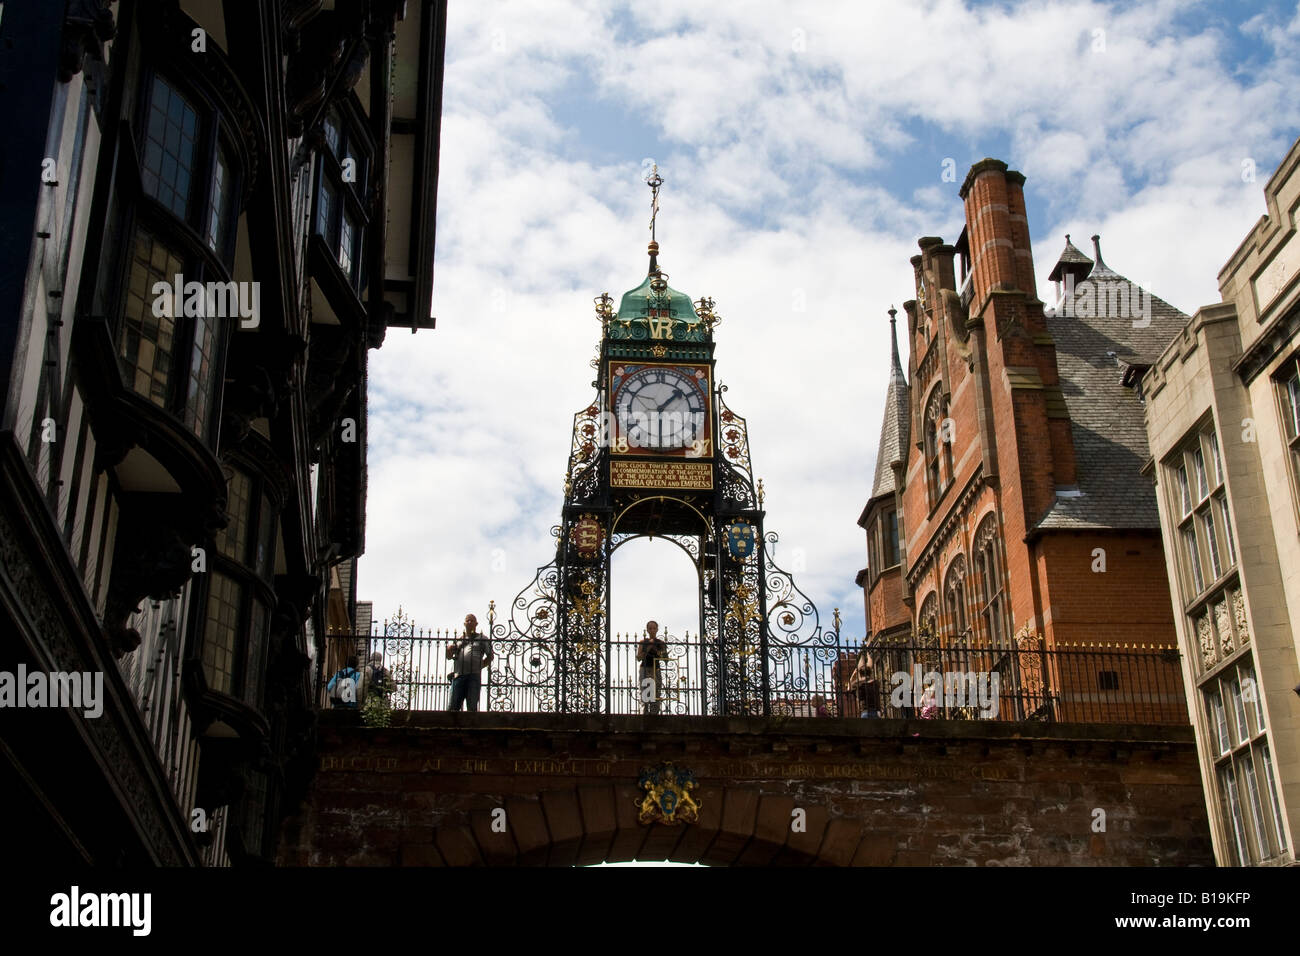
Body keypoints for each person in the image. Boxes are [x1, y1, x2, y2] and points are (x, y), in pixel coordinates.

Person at [447, 613, 493, 712]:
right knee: (453, 707)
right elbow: (449, 657)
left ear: (476, 624)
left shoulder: (482, 638)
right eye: (467, 620)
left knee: (472, 706)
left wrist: (479, 666)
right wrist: (449, 650)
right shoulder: (459, 639)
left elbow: (490, 656)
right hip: (458, 675)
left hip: (473, 676)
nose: (469, 622)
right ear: (464, 624)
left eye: (472, 620)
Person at [636, 620, 668, 715]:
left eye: (654, 628)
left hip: (656, 668)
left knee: (656, 689)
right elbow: (638, 657)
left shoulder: (660, 643)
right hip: (644, 668)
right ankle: (644, 711)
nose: (652, 630)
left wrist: (660, 652)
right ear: (647, 630)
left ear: (657, 629)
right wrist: (648, 648)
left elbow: (665, 659)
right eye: (650, 628)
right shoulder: (643, 642)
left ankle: (655, 712)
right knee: (644, 689)